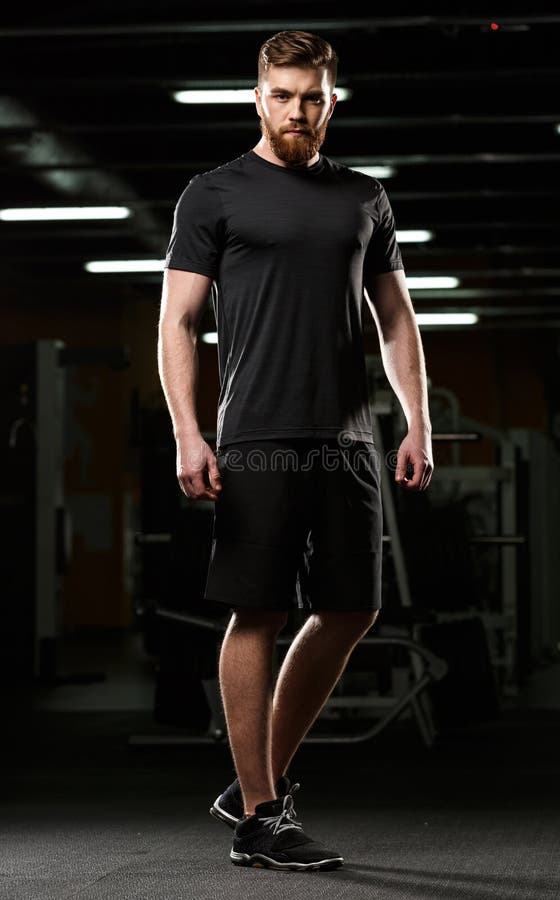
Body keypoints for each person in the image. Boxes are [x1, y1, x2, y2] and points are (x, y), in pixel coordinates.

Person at [157, 29, 433, 872]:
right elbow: (177, 320)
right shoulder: (214, 194)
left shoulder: (363, 197)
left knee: (352, 608)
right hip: (257, 435)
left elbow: (395, 317)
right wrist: (188, 430)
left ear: (330, 101)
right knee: (259, 611)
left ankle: (253, 786)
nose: (298, 111)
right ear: (257, 99)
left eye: (312, 97)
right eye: (283, 95)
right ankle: (262, 814)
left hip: (347, 435)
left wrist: (415, 418)